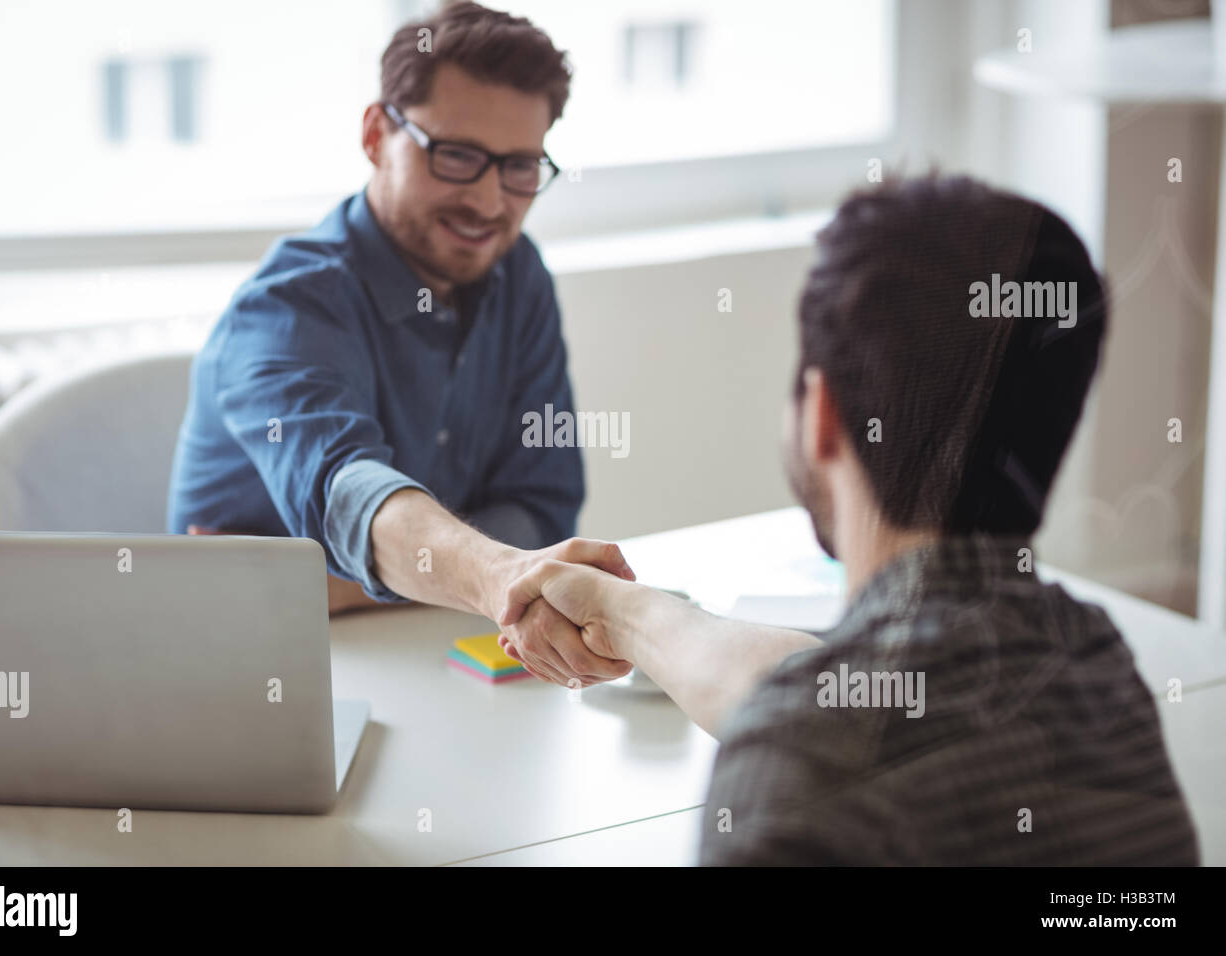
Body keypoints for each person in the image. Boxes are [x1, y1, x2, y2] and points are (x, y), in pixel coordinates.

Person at [499, 174, 1200, 865]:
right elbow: (836, 686)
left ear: (825, 416)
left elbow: (822, 711)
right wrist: (621, 611)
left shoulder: (796, 777)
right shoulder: (1096, 668)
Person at [167, 1, 634, 687]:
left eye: (520, 168)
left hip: (428, 661)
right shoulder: (286, 306)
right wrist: (495, 571)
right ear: (375, 135)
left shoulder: (517, 272)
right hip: (255, 676)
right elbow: (347, 491)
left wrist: (326, 584)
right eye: (456, 156)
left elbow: (542, 504)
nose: (488, 201)